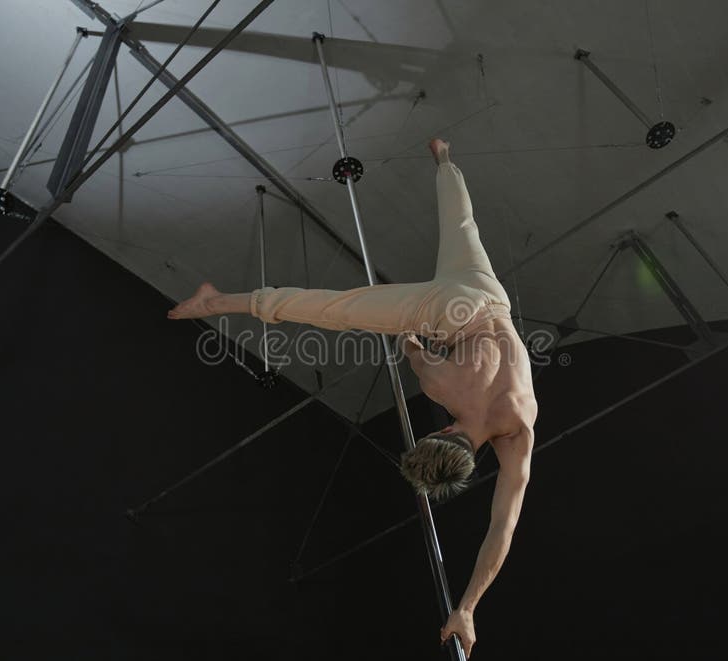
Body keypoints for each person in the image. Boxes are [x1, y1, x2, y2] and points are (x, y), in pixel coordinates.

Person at [168, 139, 537, 658]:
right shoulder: (441, 388)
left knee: (462, 228)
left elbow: (505, 528)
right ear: (442, 433)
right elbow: (409, 343)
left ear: (467, 456)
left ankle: (445, 159)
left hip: (488, 295)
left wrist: (470, 607)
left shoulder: (517, 428)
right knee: (338, 310)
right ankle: (219, 302)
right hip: (451, 311)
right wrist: (409, 334)